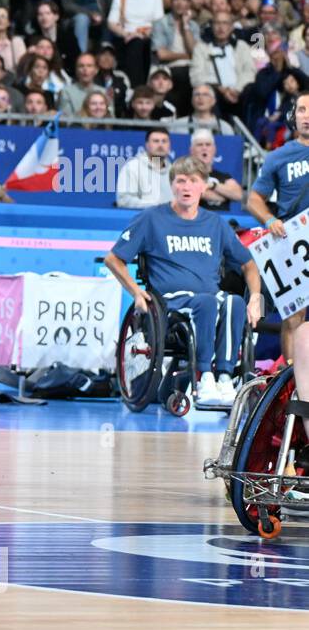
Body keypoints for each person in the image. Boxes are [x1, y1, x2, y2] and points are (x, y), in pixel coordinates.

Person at [105, 155, 261, 406]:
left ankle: (224, 378)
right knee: (206, 303)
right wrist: (135, 292)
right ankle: (204, 377)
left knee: (234, 302)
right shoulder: (151, 218)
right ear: (172, 185)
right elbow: (113, 259)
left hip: (208, 297)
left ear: (204, 186)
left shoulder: (215, 224)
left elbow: (249, 264)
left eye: (193, 181)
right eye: (180, 181)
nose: (186, 187)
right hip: (170, 302)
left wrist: (255, 298)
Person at [247, 92, 309, 360]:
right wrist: (270, 220)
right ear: (293, 116)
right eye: (303, 110)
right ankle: (291, 382)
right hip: (294, 241)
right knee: (294, 315)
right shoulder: (278, 157)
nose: (308, 116)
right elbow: (253, 200)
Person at [116, 127, 173, 209]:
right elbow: (124, 200)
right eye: (156, 141)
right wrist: (156, 207)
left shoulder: (174, 170)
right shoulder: (132, 167)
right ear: (147, 145)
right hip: (144, 219)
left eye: (164, 141)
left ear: (169, 145)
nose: (160, 145)